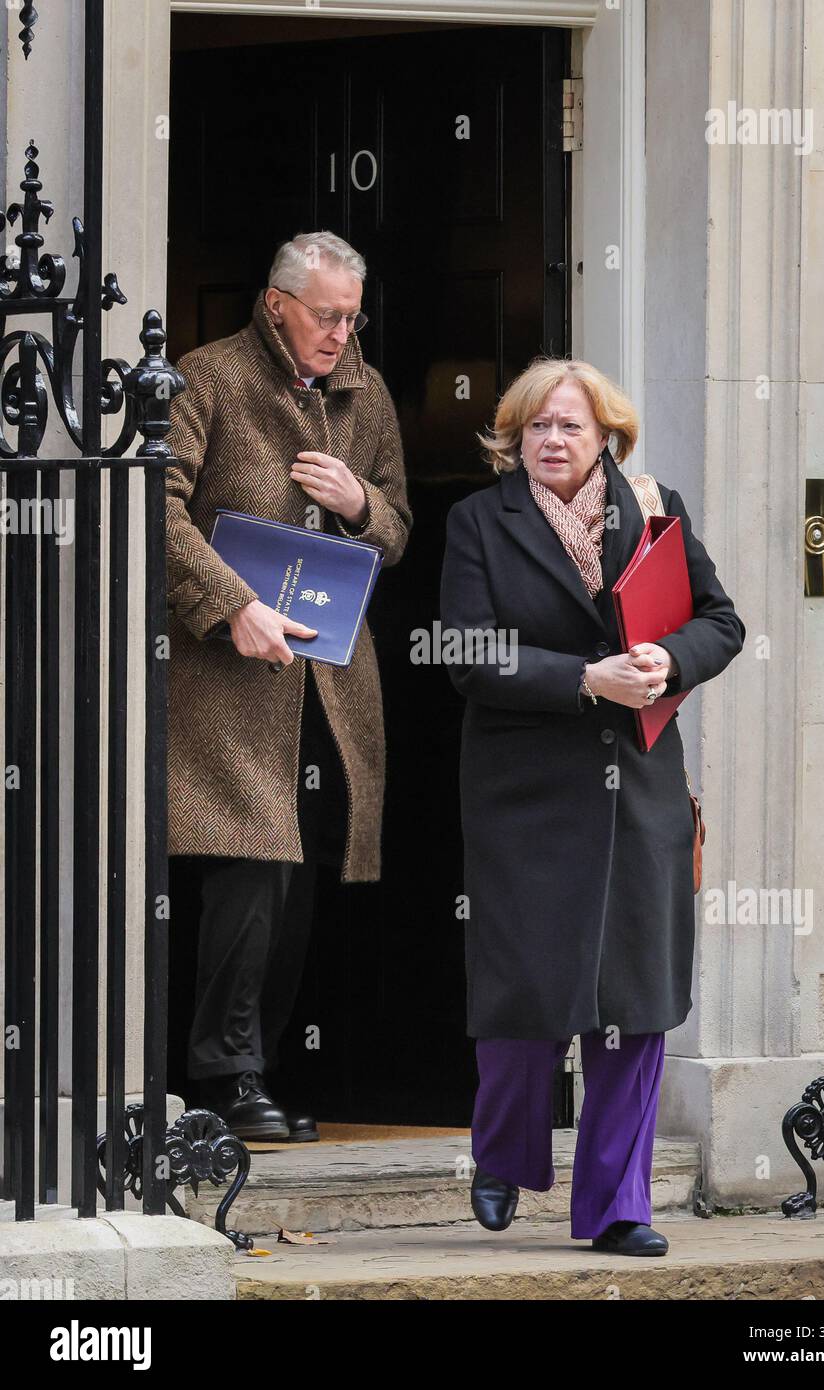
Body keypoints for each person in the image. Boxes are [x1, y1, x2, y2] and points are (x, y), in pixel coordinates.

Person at [439, 357, 744, 1254]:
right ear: (514, 436)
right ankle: (502, 1153)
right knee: (528, 992)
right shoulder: (477, 521)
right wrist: (583, 678)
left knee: (635, 1000)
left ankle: (617, 1207)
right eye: (536, 426)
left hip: (639, 793)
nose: (552, 441)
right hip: (524, 798)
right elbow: (463, 651)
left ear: (607, 435)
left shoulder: (657, 509)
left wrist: (668, 662)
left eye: (570, 426)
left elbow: (720, 621)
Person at [164, 231, 411, 1141]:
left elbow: (397, 528)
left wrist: (359, 503)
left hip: (329, 679)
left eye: (352, 315)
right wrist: (230, 603)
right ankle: (224, 1075)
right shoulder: (209, 377)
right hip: (228, 677)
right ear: (277, 305)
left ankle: (256, 1066)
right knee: (251, 863)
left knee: (301, 869)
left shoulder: (368, 393)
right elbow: (153, 507)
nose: (342, 332)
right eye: (326, 314)